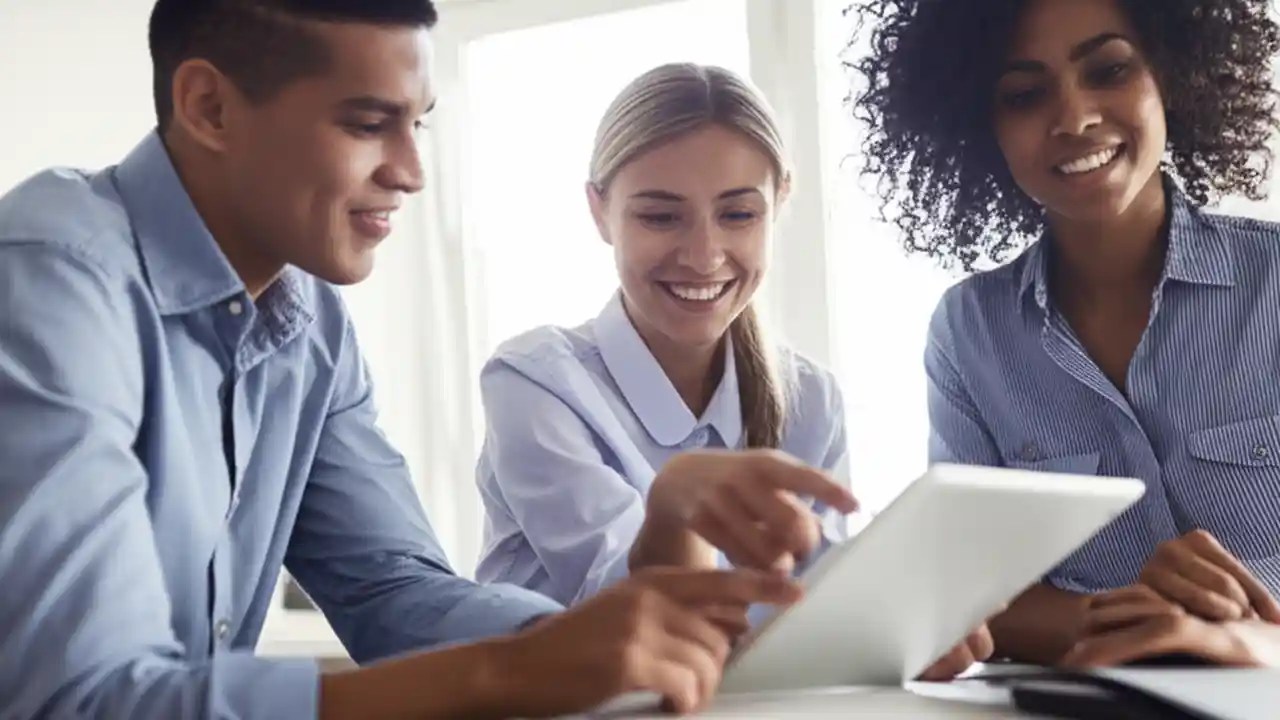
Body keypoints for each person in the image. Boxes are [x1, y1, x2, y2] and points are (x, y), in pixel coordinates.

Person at [0, 3, 816, 718]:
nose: (412, 172)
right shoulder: (49, 284)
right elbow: (81, 700)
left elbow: (393, 590)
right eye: (366, 124)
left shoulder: (311, 324)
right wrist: (519, 667)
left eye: (416, 122)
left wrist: (585, 645)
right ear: (210, 107)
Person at [474, 62, 992, 681]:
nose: (703, 256)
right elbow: (628, 616)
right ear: (599, 210)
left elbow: (817, 597)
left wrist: (906, 620)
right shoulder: (536, 384)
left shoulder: (811, 401)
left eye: (739, 215)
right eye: (661, 217)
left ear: (779, 206)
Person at [851, 0, 1280, 666]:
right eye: (1023, 95)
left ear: (1172, 74)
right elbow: (974, 592)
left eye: (1109, 70)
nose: (1074, 118)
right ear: (979, 126)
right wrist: (1146, 624)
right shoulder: (969, 334)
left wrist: (1251, 638)